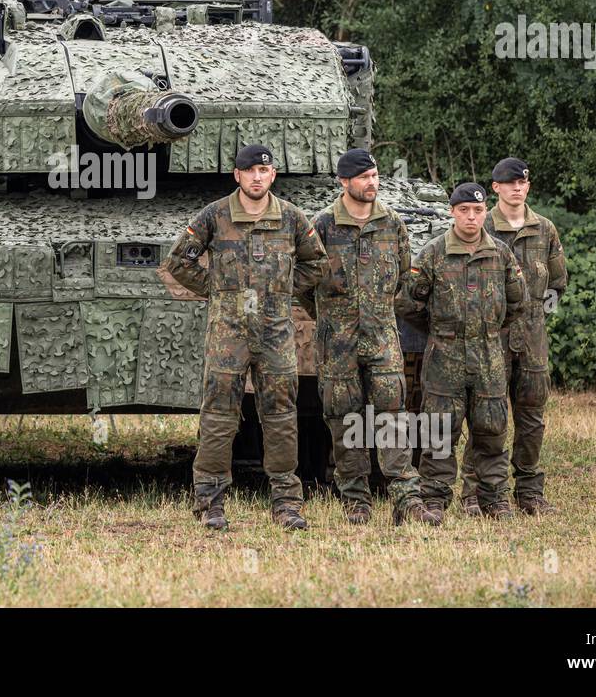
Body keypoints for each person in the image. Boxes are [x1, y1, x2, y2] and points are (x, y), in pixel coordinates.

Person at [162, 144, 325, 531]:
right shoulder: (215, 215)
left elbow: (315, 262)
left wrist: (282, 290)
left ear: (273, 175)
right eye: (249, 171)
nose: (257, 177)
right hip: (228, 333)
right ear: (237, 175)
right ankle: (210, 502)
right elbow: (178, 261)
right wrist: (218, 289)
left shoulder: (290, 217)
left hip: (275, 333)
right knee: (219, 417)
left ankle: (287, 503)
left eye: (264, 171)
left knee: (282, 417)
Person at [312, 148, 438, 525]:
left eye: (376, 175)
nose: (373, 183)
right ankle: (356, 499)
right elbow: (306, 284)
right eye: (365, 177)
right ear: (345, 182)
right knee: (344, 417)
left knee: (393, 416)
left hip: (383, 339)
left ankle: (407, 498)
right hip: (338, 343)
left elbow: (403, 280)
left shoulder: (393, 223)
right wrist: (332, 317)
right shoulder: (322, 227)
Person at [396, 182, 526, 519]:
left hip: (488, 357)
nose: (471, 217)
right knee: (440, 432)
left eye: (478, 210)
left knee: (492, 431)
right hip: (445, 358)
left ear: (486, 212)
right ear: (453, 212)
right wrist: (441, 330)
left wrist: (486, 330)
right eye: (464, 210)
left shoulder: (500, 253)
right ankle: (435, 498)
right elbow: (409, 304)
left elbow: (518, 302)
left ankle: (494, 498)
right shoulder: (434, 253)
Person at [459, 157, 567, 516]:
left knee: (532, 416)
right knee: (486, 416)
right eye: (509, 183)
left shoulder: (544, 229)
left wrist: (535, 318)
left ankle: (530, 493)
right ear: (496, 189)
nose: (517, 188)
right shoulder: (482, 227)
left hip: (532, 340)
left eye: (522, 183)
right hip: (491, 339)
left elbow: (557, 282)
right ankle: (475, 492)